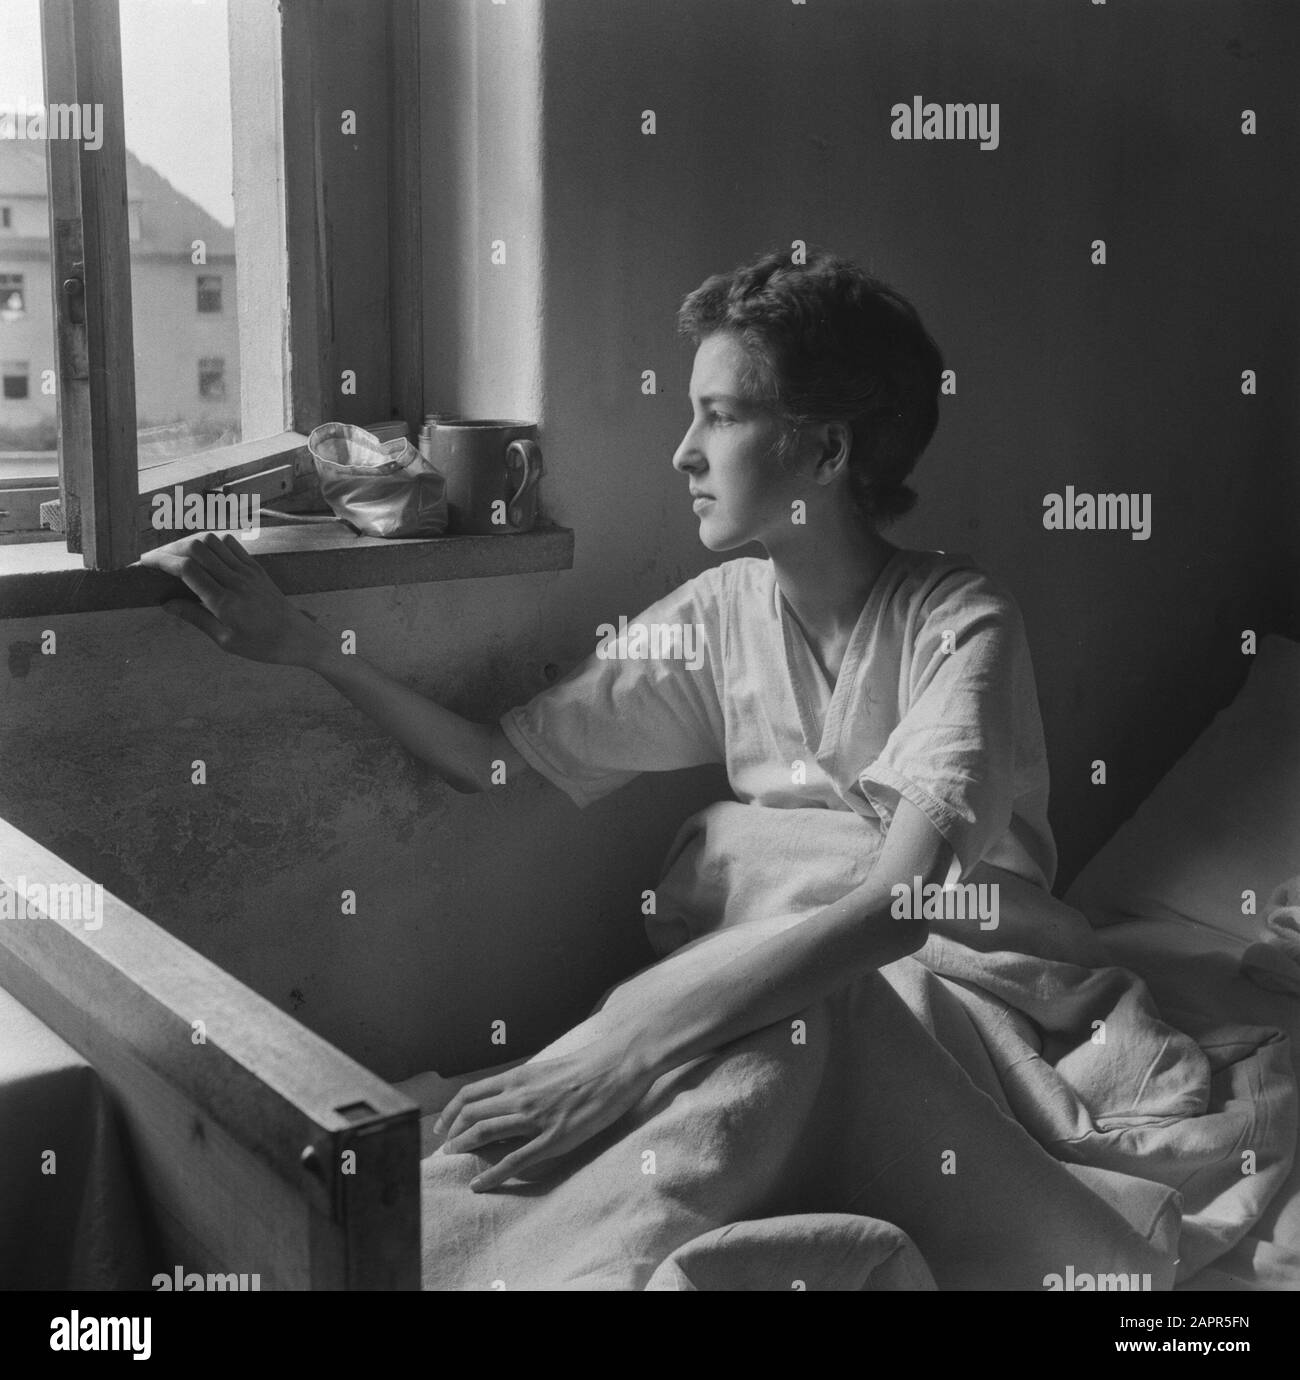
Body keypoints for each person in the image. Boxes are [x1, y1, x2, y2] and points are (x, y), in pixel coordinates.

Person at [142, 250, 1290, 1290]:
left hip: (953, 989)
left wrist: (641, 1030)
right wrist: (307, 650)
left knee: (785, 1031)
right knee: (684, 1066)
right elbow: (496, 765)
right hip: (770, 977)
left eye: (719, 416)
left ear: (825, 451)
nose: (681, 452)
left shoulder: (959, 623)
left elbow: (898, 906)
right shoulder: (721, 614)